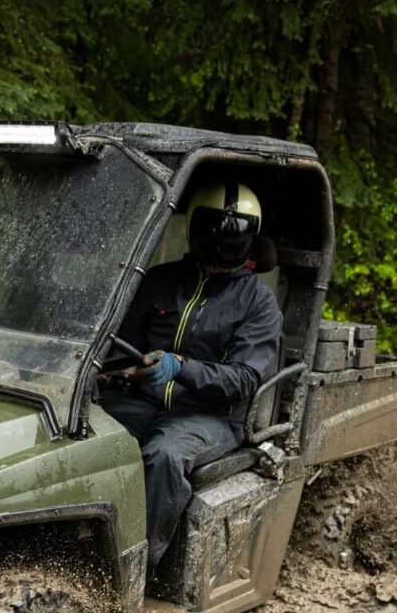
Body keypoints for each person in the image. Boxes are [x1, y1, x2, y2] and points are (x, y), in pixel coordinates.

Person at [99, 181, 284, 575]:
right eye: (212, 227)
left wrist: (181, 367)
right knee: (87, 434)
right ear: (194, 228)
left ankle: (133, 574)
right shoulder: (159, 280)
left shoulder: (258, 302)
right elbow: (119, 347)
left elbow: (243, 379)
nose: (221, 240)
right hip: (144, 400)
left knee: (164, 456)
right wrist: (128, 373)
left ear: (250, 237)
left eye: (233, 232)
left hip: (211, 417)